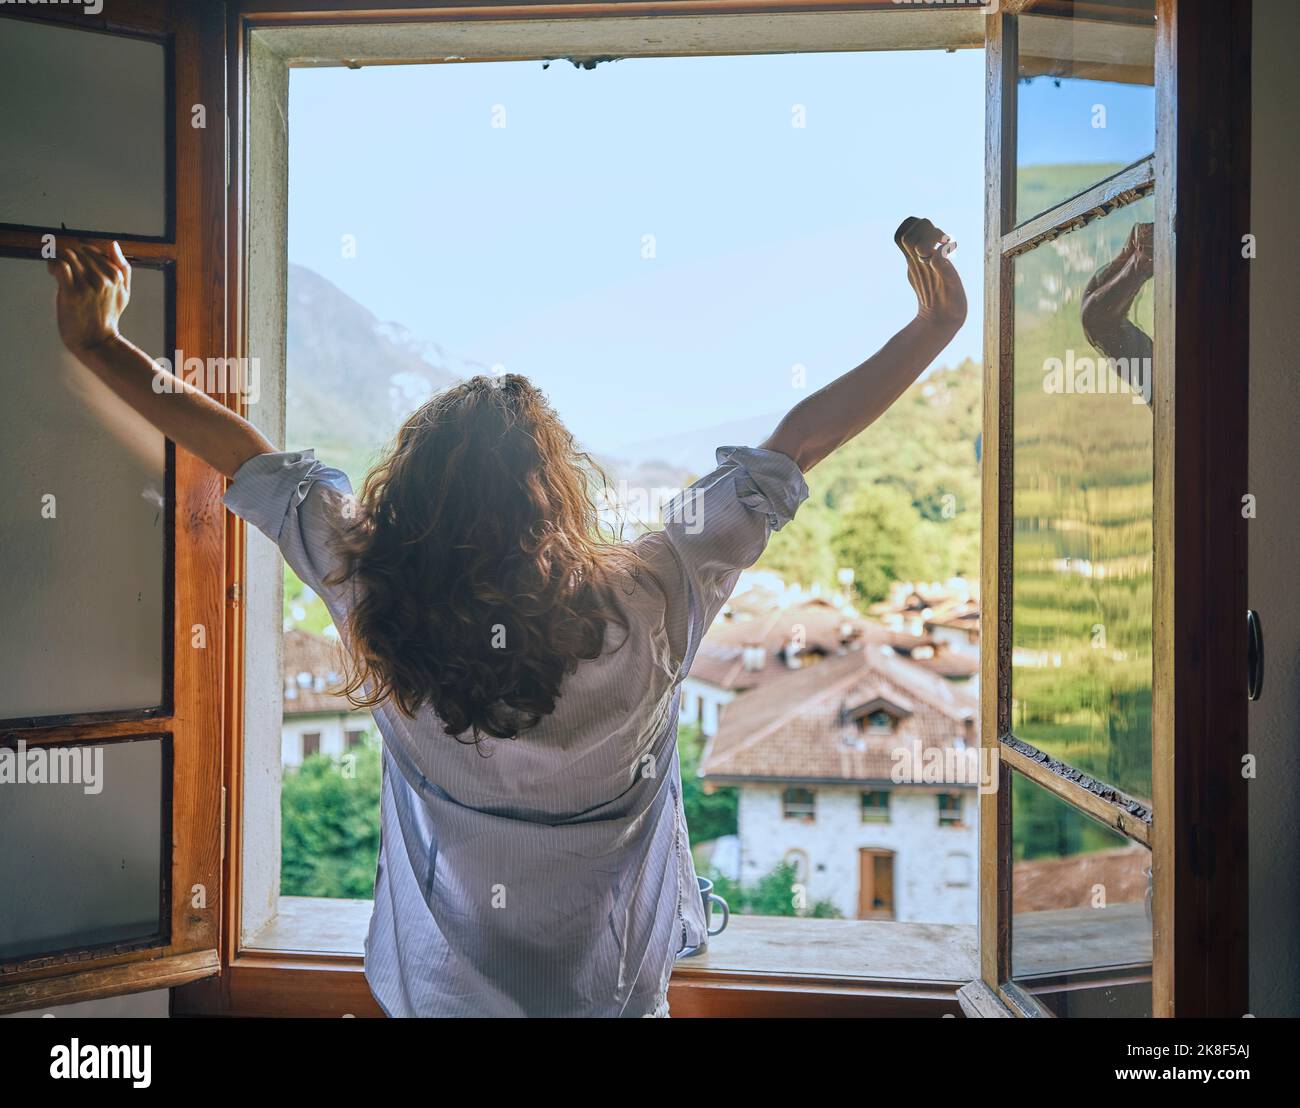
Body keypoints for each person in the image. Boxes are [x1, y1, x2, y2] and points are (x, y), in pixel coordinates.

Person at [47, 216, 965, 1017]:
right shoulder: (651, 594)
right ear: (558, 494)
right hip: (611, 996)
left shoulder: (371, 588)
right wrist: (935, 328)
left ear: (410, 493)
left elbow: (242, 455)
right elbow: (796, 446)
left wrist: (99, 344)